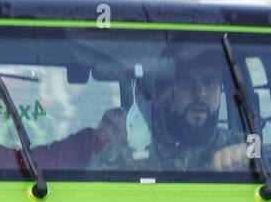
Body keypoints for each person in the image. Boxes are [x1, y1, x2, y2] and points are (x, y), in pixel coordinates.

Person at [90, 43, 250, 174]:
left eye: (210, 82)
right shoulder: (122, 155)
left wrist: (248, 164)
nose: (200, 93)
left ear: (220, 88)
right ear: (160, 93)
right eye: (185, 82)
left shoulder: (242, 148)